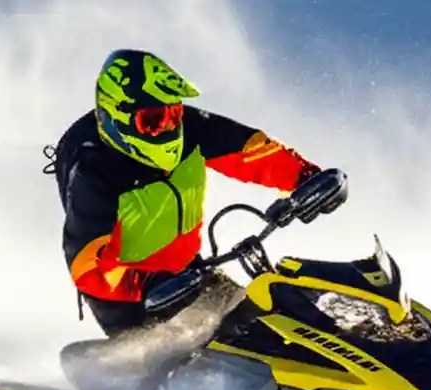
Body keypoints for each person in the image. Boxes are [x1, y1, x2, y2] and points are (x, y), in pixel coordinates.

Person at [46, 48, 329, 338]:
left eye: (174, 114)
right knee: (230, 357)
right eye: (153, 121)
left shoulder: (189, 130)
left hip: (192, 273)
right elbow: (87, 264)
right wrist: (146, 285)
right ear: (118, 120)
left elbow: (250, 151)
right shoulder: (94, 171)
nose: (169, 128)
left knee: (271, 325)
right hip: (133, 299)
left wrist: (306, 177)